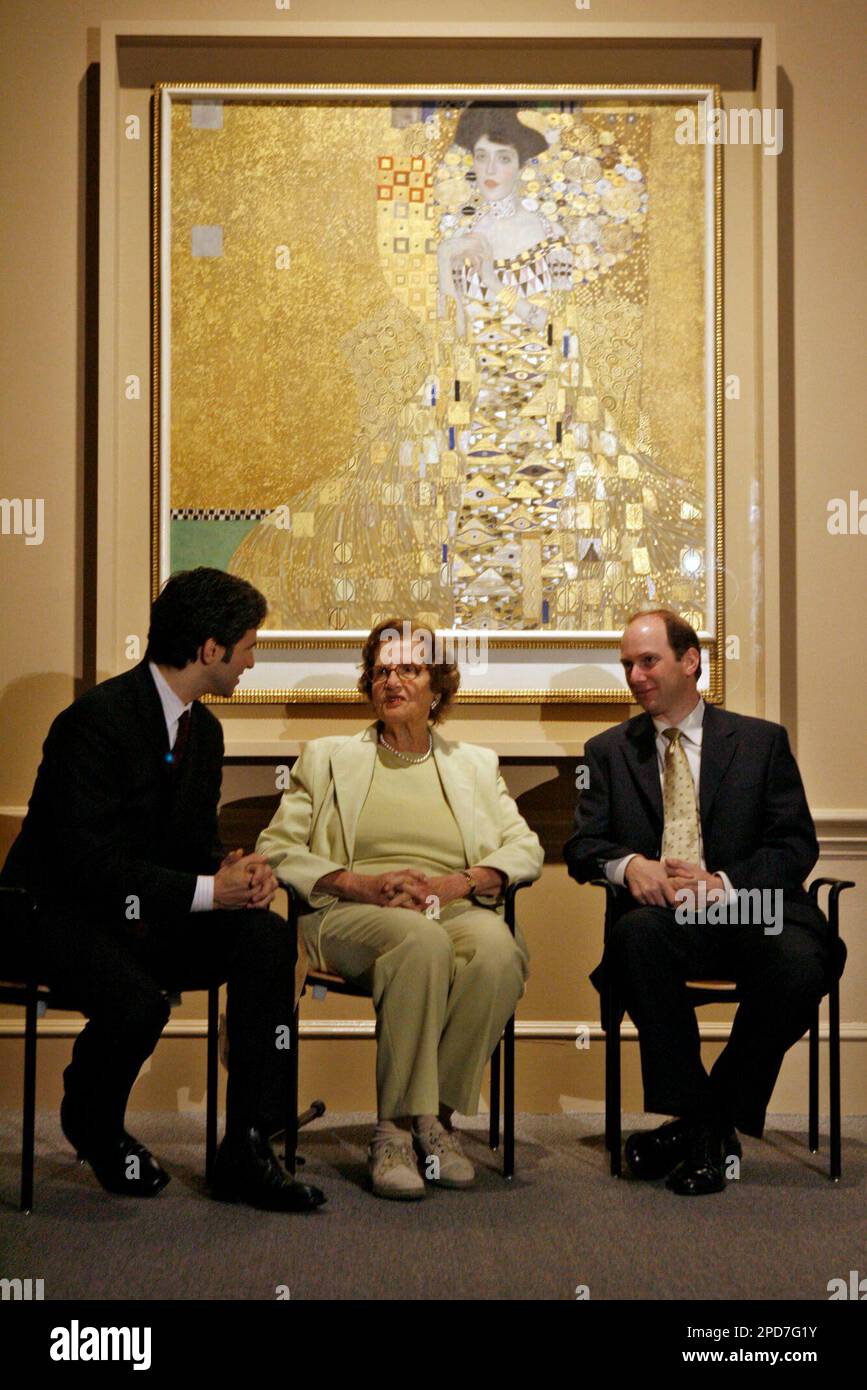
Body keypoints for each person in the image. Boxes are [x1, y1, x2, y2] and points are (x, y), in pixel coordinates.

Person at [228, 101, 705, 635]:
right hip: (478, 398)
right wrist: (447, 260)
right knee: (470, 520)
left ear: (521, 166)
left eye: (502, 158)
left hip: (533, 399)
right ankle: (479, 635)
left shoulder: (545, 235)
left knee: (534, 522)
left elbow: (550, 327)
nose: (491, 170)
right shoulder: (459, 231)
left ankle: (532, 632)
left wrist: (493, 278)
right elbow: (450, 325)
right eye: (482, 157)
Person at [1, 568, 325, 1213]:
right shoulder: (92, 722)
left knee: (265, 937)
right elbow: (85, 864)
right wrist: (209, 892)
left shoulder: (203, 732)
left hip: (145, 914)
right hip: (53, 913)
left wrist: (235, 872)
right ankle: (90, 1121)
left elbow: (190, 846)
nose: (253, 661)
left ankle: (248, 1146)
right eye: (250, 645)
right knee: (139, 1001)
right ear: (211, 649)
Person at [257, 618, 543, 1200]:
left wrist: (462, 883)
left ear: (437, 686)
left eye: (408, 670)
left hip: (449, 906)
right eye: (381, 671)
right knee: (420, 940)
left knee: (497, 953)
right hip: (350, 911)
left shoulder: (475, 764)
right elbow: (277, 849)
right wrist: (361, 884)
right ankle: (390, 1132)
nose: (392, 681)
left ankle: (431, 1119)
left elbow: (526, 848)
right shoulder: (326, 757)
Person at [564, 609, 843, 1196]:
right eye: (627, 665)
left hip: (747, 908)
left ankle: (699, 1124)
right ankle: (709, 1126)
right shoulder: (606, 752)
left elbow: (795, 845)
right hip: (664, 918)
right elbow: (582, 846)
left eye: (648, 661)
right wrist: (629, 866)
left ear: (690, 661)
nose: (635, 676)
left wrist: (723, 884)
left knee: (800, 961)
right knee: (635, 939)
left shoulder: (761, 742)